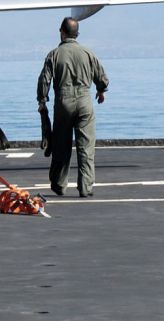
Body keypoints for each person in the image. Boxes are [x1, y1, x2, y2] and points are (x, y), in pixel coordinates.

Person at [36, 17, 110, 198]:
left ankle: (60, 185)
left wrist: (42, 101)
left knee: (61, 145)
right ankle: (85, 187)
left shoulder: (54, 54)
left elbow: (44, 80)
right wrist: (100, 91)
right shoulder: (87, 53)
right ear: (77, 33)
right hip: (85, 101)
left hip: (63, 101)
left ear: (61, 31)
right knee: (86, 147)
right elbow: (102, 78)